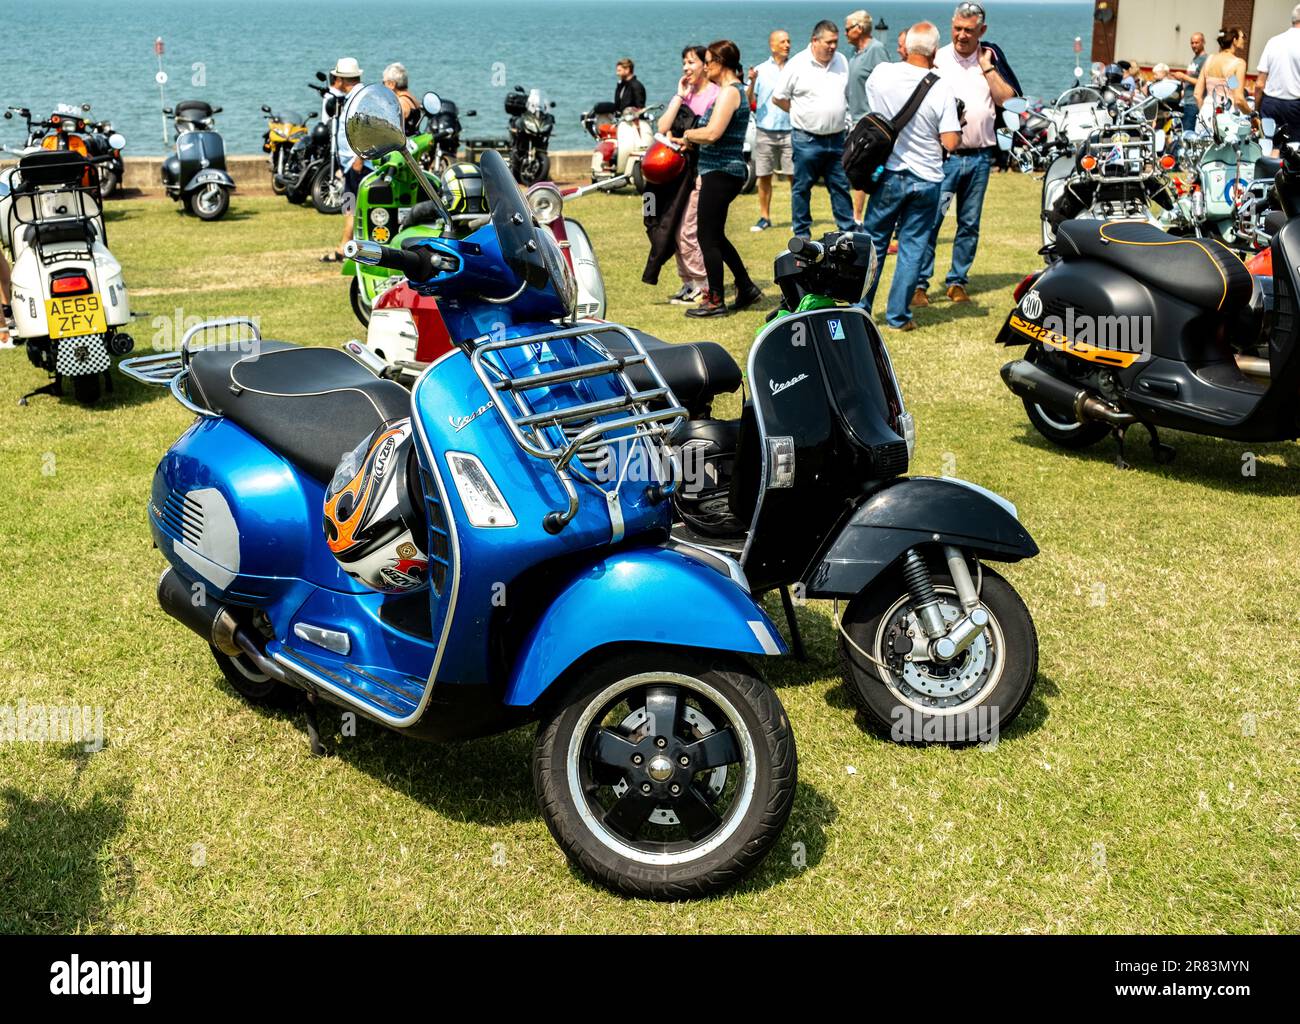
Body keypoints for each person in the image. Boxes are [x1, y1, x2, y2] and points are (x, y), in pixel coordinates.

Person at [859, 22, 961, 331]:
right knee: (912, 246)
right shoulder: (941, 85)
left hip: (889, 170)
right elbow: (951, 142)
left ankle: (861, 308)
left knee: (874, 243)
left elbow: (874, 111)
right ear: (933, 50)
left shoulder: (882, 74)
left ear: (906, 46)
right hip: (927, 176)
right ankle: (898, 316)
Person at [914, 2, 1016, 308]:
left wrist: (987, 67)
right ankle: (919, 284)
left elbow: (1008, 102)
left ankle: (957, 281)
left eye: (969, 30)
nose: (961, 35)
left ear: (981, 31)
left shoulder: (991, 59)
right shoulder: (938, 59)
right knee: (933, 220)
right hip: (944, 159)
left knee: (969, 223)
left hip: (980, 158)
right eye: (957, 28)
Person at [677, 40, 761, 317]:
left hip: (722, 171)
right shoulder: (731, 91)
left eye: (709, 61)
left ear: (721, 63)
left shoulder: (729, 93)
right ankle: (746, 287)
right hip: (720, 170)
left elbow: (713, 133)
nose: (706, 66)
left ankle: (715, 300)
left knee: (707, 238)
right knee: (716, 236)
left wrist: (689, 135)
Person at [644, 45, 719, 304]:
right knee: (673, 228)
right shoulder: (686, 96)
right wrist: (679, 96)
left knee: (688, 230)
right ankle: (688, 282)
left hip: (699, 172)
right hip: (676, 175)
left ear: (705, 65)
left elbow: (712, 134)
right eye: (684, 63)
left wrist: (687, 139)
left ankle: (702, 283)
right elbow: (663, 127)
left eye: (691, 62)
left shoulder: (715, 95)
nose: (687, 68)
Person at [774, 20, 855, 238]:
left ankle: (847, 231)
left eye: (836, 42)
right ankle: (802, 234)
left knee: (840, 186)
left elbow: (846, 96)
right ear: (814, 40)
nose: (833, 47)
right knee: (802, 188)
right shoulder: (797, 64)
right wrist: (799, 112)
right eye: (829, 42)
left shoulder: (842, 61)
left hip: (837, 138)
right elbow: (778, 97)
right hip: (806, 139)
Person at [845, 10, 890, 227]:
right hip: (856, 121)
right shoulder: (855, 53)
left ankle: (859, 218)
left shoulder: (876, 50)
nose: (845, 33)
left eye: (847, 28)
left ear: (859, 28)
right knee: (856, 170)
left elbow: (887, 85)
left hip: (871, 125)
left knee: (864, 171)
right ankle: (857, 217)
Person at [747, 30, 793, 232]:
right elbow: (749, 101)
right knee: (764, 175)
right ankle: (764, 217)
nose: (787, 45)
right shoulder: (760, 70)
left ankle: (797, 219)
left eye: (789, 41)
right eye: (783, 42)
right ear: (772, 46)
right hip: (765, 130)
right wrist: (752, 82)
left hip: (791, 130)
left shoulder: (795, 68)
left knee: (795, 177)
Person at [321, 57, 364, 262]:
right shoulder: (351, 97)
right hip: (349, 164)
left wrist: (359, 158)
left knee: (353, 206)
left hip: (357, 164)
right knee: (350, 205)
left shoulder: (358, 98)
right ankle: (347, 246)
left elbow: (365, 129)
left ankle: (344, 248)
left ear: (342, 79)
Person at [1255, 7, 1300, 148]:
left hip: (1270, 104)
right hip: (1295, 106)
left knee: (1267, 149)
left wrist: (1256, 110)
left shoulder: (1273, 41)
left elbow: (1259, 84)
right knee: (1292, 153)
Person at [1196, 27, 1251, 124]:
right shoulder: (1238, 63)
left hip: (1205, 114)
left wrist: (1204, 110)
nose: (1244, 41)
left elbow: (1197, 94)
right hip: (1226, 118)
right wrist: (1252, 115)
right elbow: (1238, 99)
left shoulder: (1209, 59)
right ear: (1234, 40)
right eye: (1243, 37)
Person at [1172, 32, 1208, 133]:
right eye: (1192, 43)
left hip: (1195, 103)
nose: (1194, 45)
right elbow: (1192, 78)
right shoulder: (1195, 59)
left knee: (1188, 134)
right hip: (1188, 101)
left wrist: (1184, 76)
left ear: (1203, 42)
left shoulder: (1205, 59)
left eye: (1197, 43)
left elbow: (1202, 82)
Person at [383, 62, 421, 135]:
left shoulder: (400, 103)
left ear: (392, 84)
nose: (383, 86)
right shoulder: (412, 99)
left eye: (384, 82)